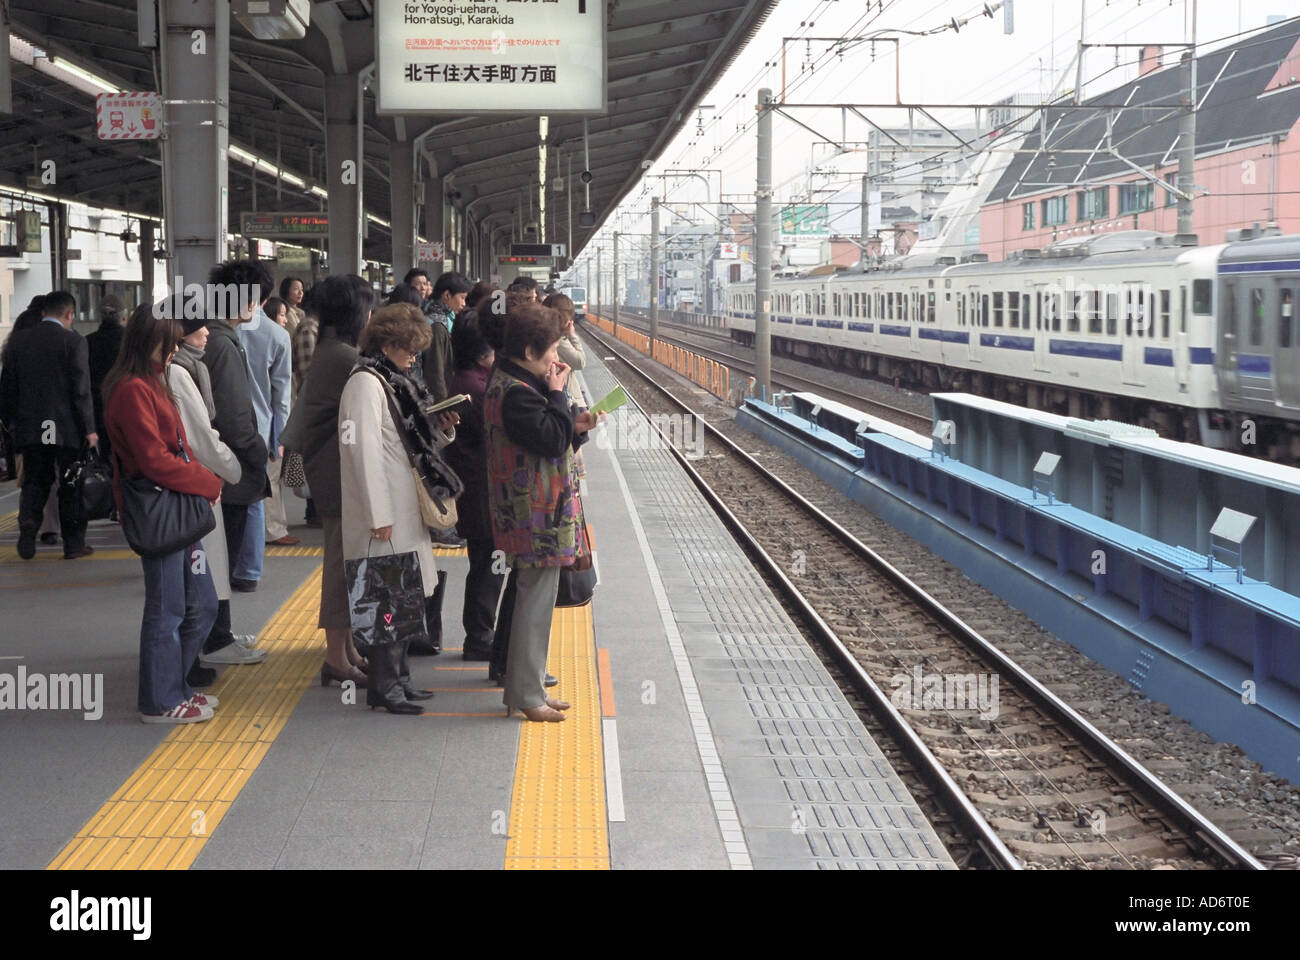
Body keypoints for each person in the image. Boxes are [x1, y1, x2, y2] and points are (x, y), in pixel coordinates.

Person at [102, 307, 221, 723]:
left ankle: (175, 686)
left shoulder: (150, 380)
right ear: (147, 341)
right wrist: (206, 482)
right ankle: (160, 700)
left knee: (201, 603)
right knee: (168, 608)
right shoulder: (133, 388)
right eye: (168, 340)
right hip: (161, 510)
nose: (175, 347)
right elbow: (153, 459)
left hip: (175, 508)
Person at [339, 302, 458, 713]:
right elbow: (362, 453)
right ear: (387, 344)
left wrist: (439, 429)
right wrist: (378, 516)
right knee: (386, 602)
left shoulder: (389, 381)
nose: (413, 357)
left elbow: (404, 441)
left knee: (404, 599)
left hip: (402, 509)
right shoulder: (364, 384)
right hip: (385, 514)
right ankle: (384, 688)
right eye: (408, 348)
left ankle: (400, 679)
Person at [485, 302, 599, 722]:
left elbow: (552, 436)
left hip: (538, 513)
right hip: (534, 517)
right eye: (552, 349)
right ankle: (527, 695)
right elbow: (551, 441)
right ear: (531, 351)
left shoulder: (516, 382)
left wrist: (576, 424)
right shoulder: (518, 393)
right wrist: (557, 394)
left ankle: (525, 689)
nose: (557, 358)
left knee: (534, 601)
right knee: (533, 606)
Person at [167, 309, 263, 684]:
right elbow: (202, 437)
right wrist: (235, 468)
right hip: (198, 484)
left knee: (197, 575)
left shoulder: (182, 368)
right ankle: (201, 650)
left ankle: (209, 640)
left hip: (189, 486)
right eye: (197, 327)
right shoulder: (178, 373)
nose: (205, 332)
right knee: (201, 575)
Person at [292, 275, 373, 688]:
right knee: (341, 567)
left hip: (330, 471)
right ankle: (335, 658)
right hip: (337, 475)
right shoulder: (343, 357)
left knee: (345, 562)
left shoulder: (331, 351)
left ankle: (348, 650)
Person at [200, 261, 271, 664]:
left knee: (218, 559)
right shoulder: (223, 344)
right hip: (230, 471)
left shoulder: (217, 337)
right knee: (220, 559)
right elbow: (233, 417)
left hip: (221, 469)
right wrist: (258, 453)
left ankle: (219, 632)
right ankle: (214, 640)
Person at [0, 291, 96, 560]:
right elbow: (81, 390)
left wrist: (8, 423)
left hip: (31, 427)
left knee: (35, 480)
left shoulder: (19, 342)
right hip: (66, 427)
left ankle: (29, 524)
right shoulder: (73, 341)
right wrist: (89, 428)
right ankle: (74, 544)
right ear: (69, 314)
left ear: (43, 313)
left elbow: (7, 386)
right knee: (70, 485)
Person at [445, 310, 505, 666]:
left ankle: (480, 634)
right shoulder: (477, 389)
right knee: (487, 565)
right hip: (481, 489)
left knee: (485, 563)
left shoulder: (468, 379)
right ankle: (480, 636)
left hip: (476, 487)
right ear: (485, 351)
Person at [235, 274, 297, 577]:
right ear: (265, 298)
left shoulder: (218, 330)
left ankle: (226, 564)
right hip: (260, 427)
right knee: (256, 495)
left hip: (222, 427)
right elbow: (280, 394)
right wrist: (280, 438)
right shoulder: (277, 335)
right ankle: (250, 568)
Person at [292, 283, 322, 527]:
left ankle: (315, 509)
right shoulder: (308, 329)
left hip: (313, 404)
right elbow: (309, 374)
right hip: (310, 405)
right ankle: (314, 511)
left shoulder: (317, 328)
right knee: (313, 460)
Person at [86, 294, 127, 461]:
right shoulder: (130, 341)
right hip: (127, 407)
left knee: (103, 459)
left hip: (98, 408)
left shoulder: (87, 342)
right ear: (123, 316)